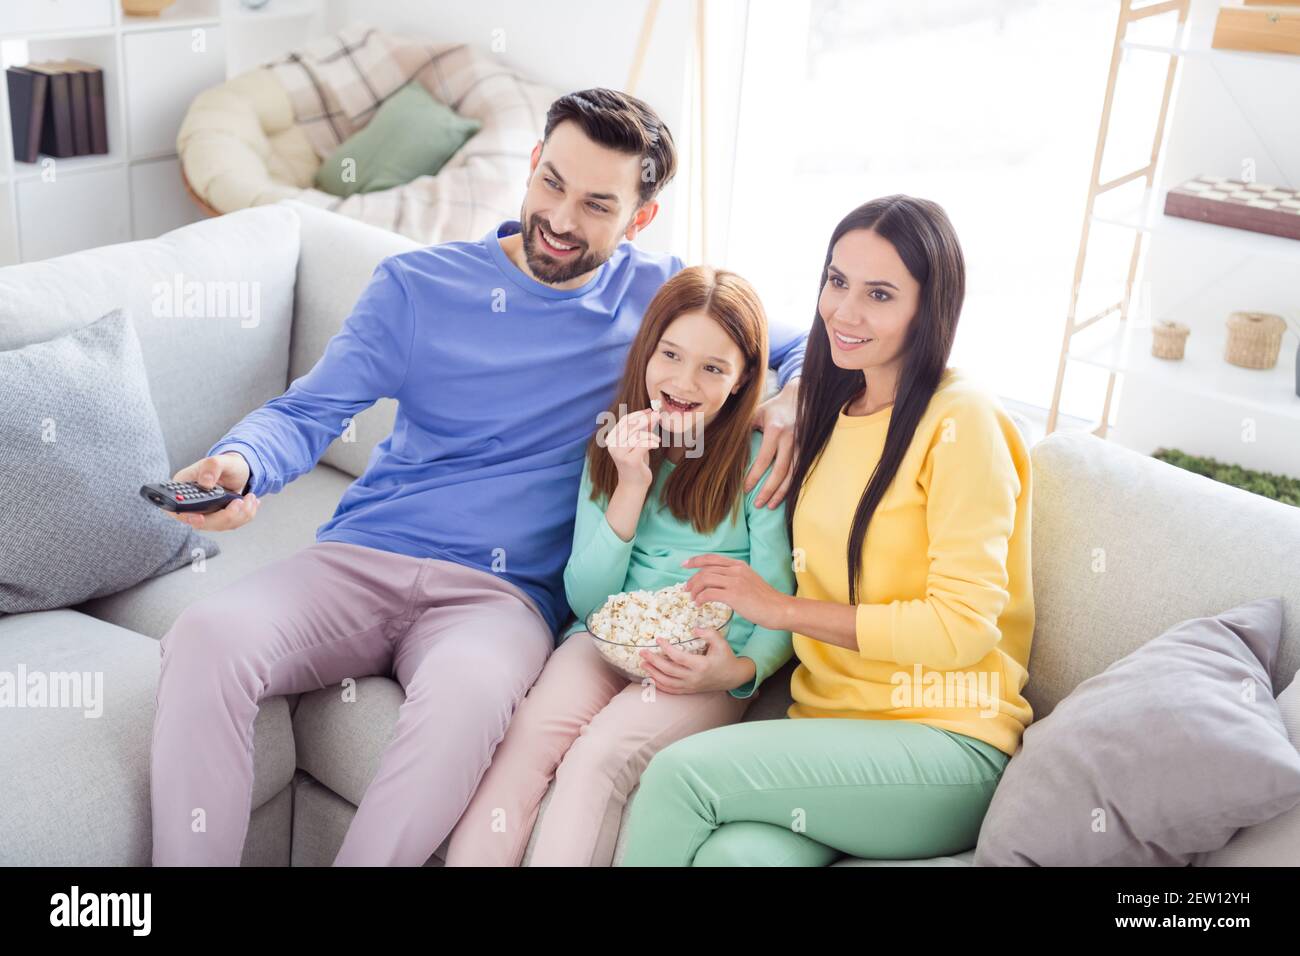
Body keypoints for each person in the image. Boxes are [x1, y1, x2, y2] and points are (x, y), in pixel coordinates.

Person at [150, 89, 807, 866]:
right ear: (531, 166)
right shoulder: (416, 287)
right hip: (364, 558)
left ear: (639, 218)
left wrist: (794, 400)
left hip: (503, 599)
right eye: (552, 183)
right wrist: (243, 462)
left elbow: (791, 343)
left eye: (598, 204)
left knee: (467, 702)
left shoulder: (661, 306)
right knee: (205, 635)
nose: (561, 219)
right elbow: (309, 411)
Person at [619, 195, 1035, 866]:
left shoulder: (963, 422)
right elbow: (751, 335)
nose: (845, 310)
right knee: (733, 859)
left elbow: (963, 630)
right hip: (828, 732)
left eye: (879, 293)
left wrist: (778, 609)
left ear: (928, 309)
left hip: (943, 741)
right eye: (836, 281)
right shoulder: (832, 405)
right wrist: (790, 395)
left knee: (677, 776)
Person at [444, 266, 795, 867]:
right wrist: (630, 484)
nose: (684, 382)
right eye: (671, 354)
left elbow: (779, 601)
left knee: (599, 755)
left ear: (742, 382)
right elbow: (587, 600)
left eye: (713, 368)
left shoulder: (757, 459)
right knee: (524, 741)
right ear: (646, 351)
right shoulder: (615, 443)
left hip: (702, 657)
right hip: (604, 639)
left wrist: (737, 669)